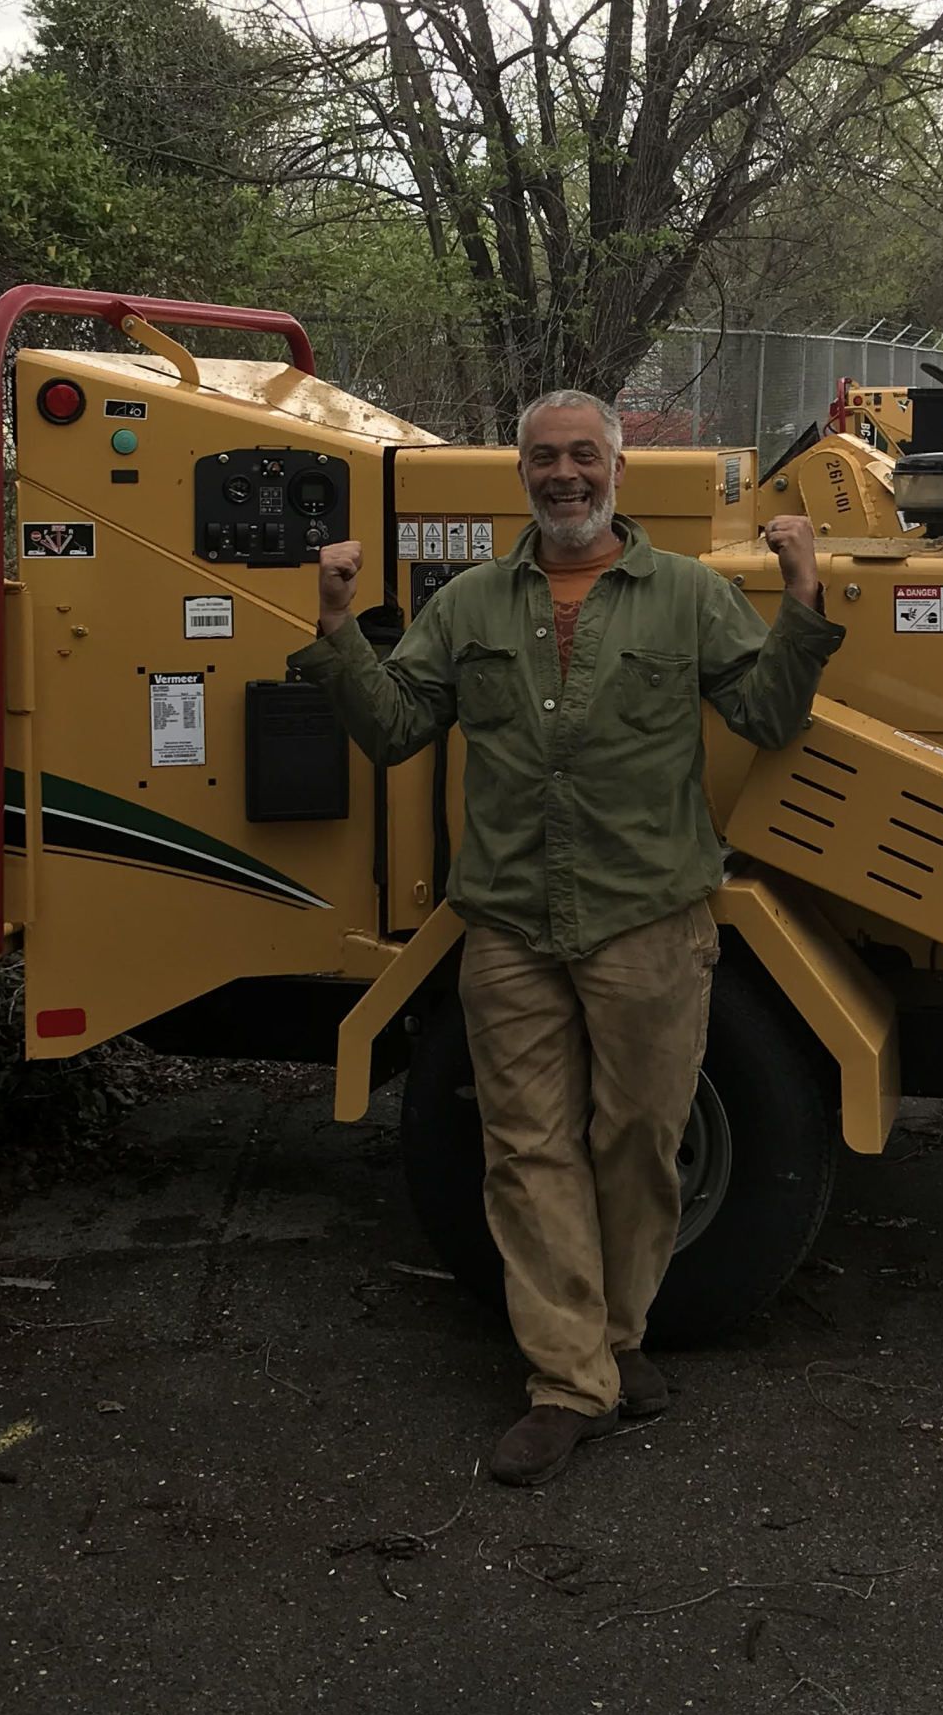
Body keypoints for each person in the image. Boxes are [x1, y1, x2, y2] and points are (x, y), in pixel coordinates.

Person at [288, 390, 842, 1487]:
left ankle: (615, 1341)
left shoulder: (687, 595)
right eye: (544, 458)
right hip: (509, 921)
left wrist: (803, 599)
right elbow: (394, 730)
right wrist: (339, 626)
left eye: (584, 455)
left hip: (649, 916)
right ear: (524, 477)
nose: (564, 474)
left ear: (618, 470)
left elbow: (769, 717)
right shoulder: (472, 604)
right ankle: (567, 1383)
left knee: (640, 1141)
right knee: (526, 1152)